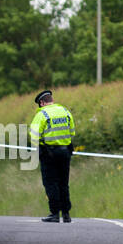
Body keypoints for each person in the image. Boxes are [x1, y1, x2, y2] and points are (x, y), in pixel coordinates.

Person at [29, 89, 74, 223]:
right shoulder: (65, 111)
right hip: (65, 152)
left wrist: (38, 148)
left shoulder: (42, 114)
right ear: (52, 100)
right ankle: (66, 214)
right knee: (63, 183)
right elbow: (72, 131)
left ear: (42, 102)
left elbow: (34, 135)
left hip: (49, 153)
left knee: (50, 183)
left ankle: (55, 213)